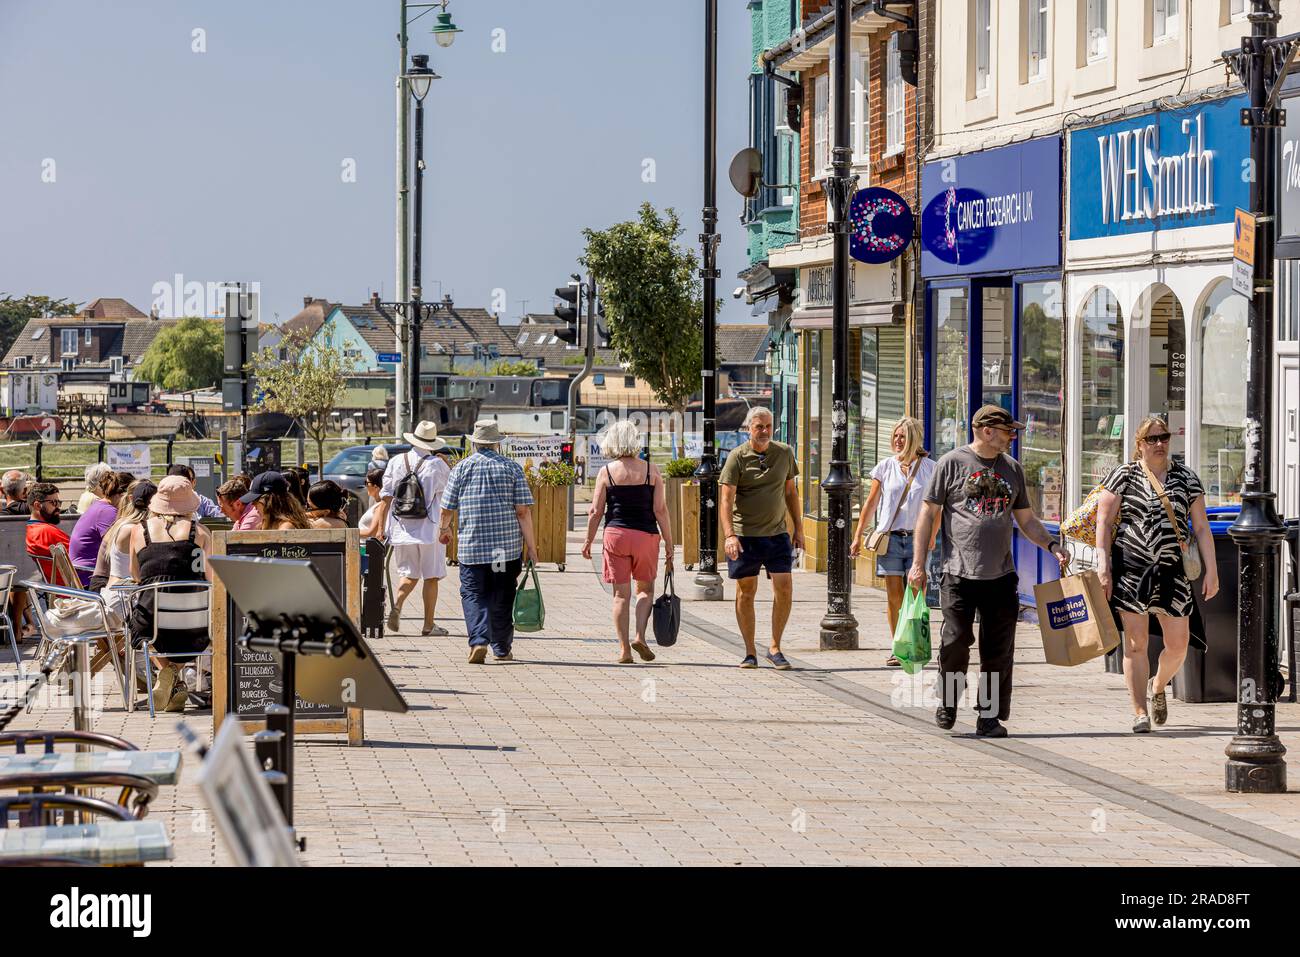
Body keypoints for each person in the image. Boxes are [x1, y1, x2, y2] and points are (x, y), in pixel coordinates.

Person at [910, 405, 1071, 739]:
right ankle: (949, 700)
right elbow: (927, 514)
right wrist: (917, 563)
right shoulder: (951, 464)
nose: (1012, 437)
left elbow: (1026, 520)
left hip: (1001, 575)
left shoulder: (1011, 469)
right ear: (986, 430)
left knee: (998, 652)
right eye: (1007, 431)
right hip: (958, 573)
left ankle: (989, 717)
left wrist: (1052, 546)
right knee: (955, 643)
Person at [1096, 416, 1219, 734]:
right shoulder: (1124, 475)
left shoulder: (1186, 478)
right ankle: (1139, 711)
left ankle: (1159, 686)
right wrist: (1103, 566)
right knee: (1135, 644)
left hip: (1173, 572)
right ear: (1140, 444)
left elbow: (1202, 528)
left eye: (1164, 437)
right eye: (1152, 439)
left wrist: (1212, 571)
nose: (1160, 443)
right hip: (1132, 570)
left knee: (1177, 644)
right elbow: (1104, 522)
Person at [439, 419, 537, 663]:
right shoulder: (512, 468)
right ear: (496, 444)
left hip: (472, 548)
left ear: (474, 443)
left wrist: (445, 529)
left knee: (473, 593)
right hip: (503, 551)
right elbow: (523, 512)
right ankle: (502, 648)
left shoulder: (461, 469)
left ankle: (479, 640)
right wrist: (532, 547)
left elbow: (446, 509)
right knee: (502, 594)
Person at [581, 420, 673, 664]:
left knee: (621, 595)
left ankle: (624, 650)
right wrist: (670, 542)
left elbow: (595, 511)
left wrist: (588, 540)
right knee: (645, 590)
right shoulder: (651, 470)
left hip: (616, 535)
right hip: (646, 535)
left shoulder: (607, 472)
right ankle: (640, 636)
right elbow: (660, 510)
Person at [719, 406, 804, 670]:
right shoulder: (737, 458)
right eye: (759, 427)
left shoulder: (784, 454)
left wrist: (798, 529)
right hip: (745, 536)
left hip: (777, 534)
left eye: (768, 426)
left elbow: (791, 493)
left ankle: (775, 646)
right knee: (746, 592)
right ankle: (750, 651)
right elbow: (725, 499)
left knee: (785, 587)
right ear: (749, 429)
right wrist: (729, 535)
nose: (764, 431)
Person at [851, 416, 939, 666]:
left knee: (916, 595)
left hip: (917, 540)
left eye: (903, 436)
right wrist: (858, 536)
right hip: (889, 540)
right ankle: (898, 648)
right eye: (896, 436)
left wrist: (933, 535)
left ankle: (915, 645)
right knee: (894, 597)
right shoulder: (885, 467)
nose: (898, 441)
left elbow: (937, 507)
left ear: (914, 439)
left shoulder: (930, 468)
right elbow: (871, 504)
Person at [127, 476, 213, 713]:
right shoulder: (201, 532)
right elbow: (210, 579)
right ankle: (175, 677)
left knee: (141, 632)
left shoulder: (138, 530)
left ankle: (168, 673)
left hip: (152, 615)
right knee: (206, 626)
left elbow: (135, 575)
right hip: (193, 619)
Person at [373, 421, 451, 636]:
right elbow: (449, 495)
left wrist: (382, 528)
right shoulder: (437, 464)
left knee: (408, 574)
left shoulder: (397, 461)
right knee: (431, 576)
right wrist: (447, 528)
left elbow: (385, 497)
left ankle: (398, 604)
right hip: (429, 528)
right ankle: (428, 624)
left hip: (401, 527)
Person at [68, 469, 130, 586]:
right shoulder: (108, 512)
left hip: (84, 574)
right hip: (90, 578)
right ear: (123, 495)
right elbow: (120, 546)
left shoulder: (100, 506)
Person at [25, 482, 71, 585]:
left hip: (62, 589)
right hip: (76, 590)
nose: (58, 507)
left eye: (59, 502)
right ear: (37, 505)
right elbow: (78, 557)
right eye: (54, 502)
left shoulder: (33, 529)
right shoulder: (45, 532)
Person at [239, 471, 313, 530]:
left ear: (269, 501)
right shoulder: (268, 523)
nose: (252, 504)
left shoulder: (286, 528)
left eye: (255, 500)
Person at [358, 467, 386, 539]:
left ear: (376, 486)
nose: (365, 486)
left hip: (366, 548)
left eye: (367, 483)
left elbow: (371, 532)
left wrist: (348, 532)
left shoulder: (381, 506)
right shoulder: (378, 503)